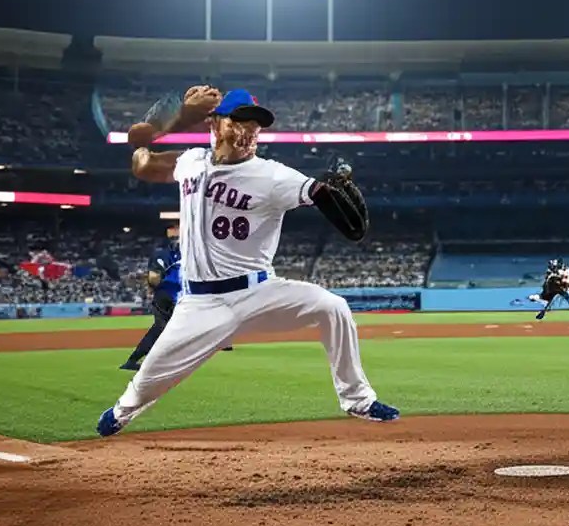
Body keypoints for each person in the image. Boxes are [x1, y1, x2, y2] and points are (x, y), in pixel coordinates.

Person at [97, 87, 397, 437]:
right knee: (148, 379)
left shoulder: (272, 175)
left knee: (333, 307)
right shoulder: (190, 162)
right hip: (200, 303)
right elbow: (141, 161)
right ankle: (121, 412)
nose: (249, 131)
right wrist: (181, 116)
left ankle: (358, 399)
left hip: (259, 291)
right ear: (214, 123)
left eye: (255, 125)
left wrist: (329, 195)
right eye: (239, 121)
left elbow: (319, 194)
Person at [118, 221, 230, 372]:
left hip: (165, 294)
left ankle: (134, 360)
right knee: (194, 322)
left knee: (160, 328)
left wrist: (151, 288)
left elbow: (154, 277)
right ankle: (218, 342)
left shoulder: (161, 254)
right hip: (181, 294)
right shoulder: (193, 255)